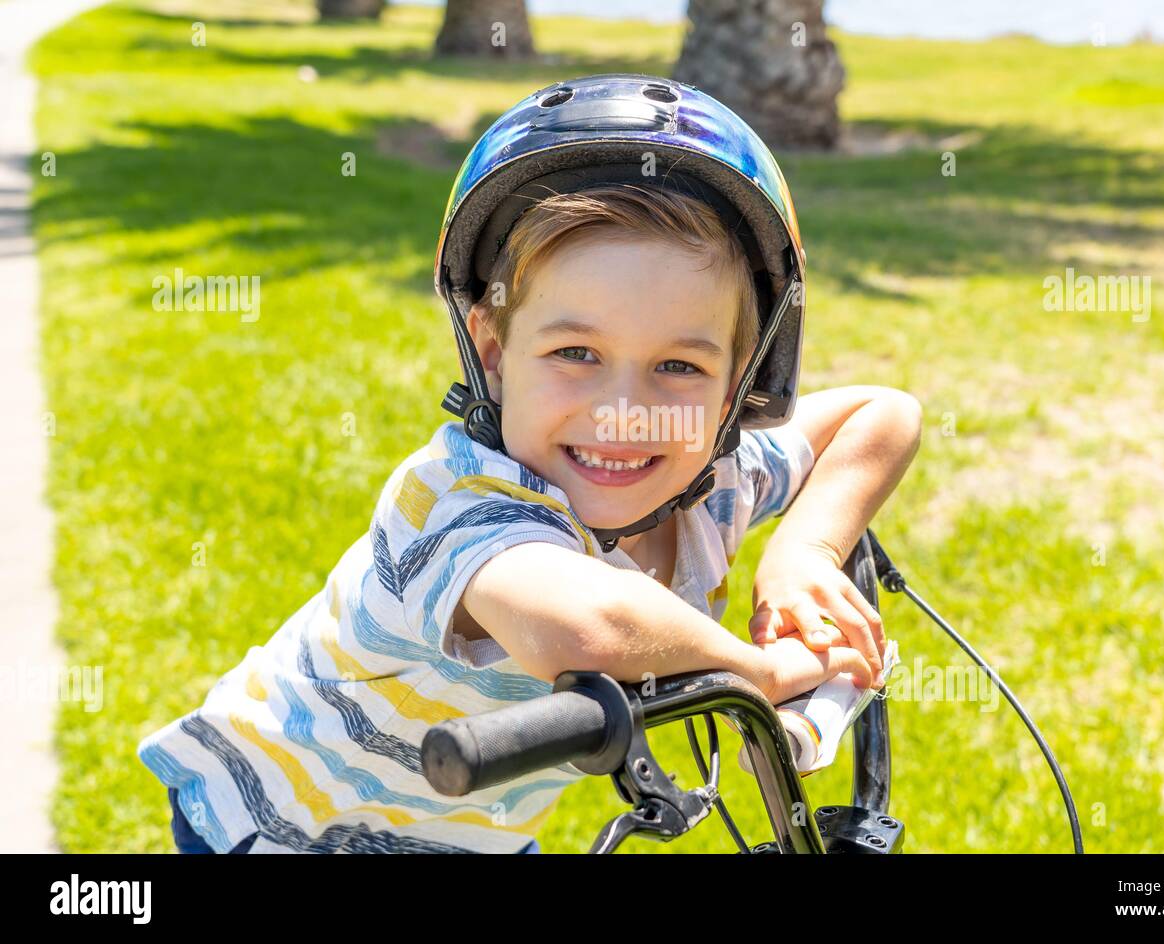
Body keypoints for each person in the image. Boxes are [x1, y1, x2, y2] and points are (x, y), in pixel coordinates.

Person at [136, 74, 923, 854]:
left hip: (470, 831)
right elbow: (591, 625)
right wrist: (764, 668)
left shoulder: (708, 484)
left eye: (679, 366)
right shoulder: (455, 504)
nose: (625, 411)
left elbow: (881, 413)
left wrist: (803, 553)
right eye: (575, 353)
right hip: (285, 820)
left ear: (739, 383)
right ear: (493, 353)